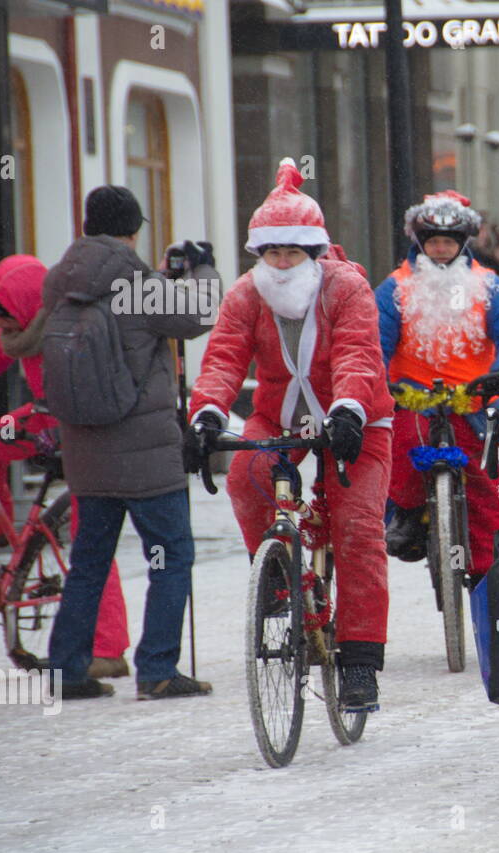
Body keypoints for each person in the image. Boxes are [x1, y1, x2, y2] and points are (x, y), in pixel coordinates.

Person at [186, 159, 394, 712]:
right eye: (271, 251)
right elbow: (224, 360)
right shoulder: (247, 294)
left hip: (358, 418)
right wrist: (206, 414)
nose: (281, 261)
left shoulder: (346, 288)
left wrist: (348, 409)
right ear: (259, 254)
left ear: (314, 252)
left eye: (292, 251)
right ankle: (277, 577)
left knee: (356, 530)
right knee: (246, 477)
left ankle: (359, 664)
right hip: (279, 418)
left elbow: (357, 354)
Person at [43, 185, 219, 700]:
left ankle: (67, 669)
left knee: (90, 562)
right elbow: (195, 317)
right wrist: (202, 270)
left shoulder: (61, 280)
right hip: (145, 456)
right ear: (134, 229)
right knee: (169, 556)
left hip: (85, 451)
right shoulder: (135, 281)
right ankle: (158, 669)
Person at [0, 255, 131, 676]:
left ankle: (108, 650)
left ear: (22, 305)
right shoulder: (18, 333)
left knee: (89, 536)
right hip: (42, 418)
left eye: (3, 314)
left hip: (82, 429)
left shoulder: (67, 329)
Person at [377, 190, 499, 577]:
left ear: (462, 244)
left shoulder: (489, 287)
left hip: (475, 399)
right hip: (413, 397)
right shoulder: (394, 288)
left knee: (484, 488)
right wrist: (385, 385)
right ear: (419, 242)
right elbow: (376, 346)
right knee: (404, 450)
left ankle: (493, 570)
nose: (439, 249)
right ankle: (407, 512)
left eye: (447, 242)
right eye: (432, 241)